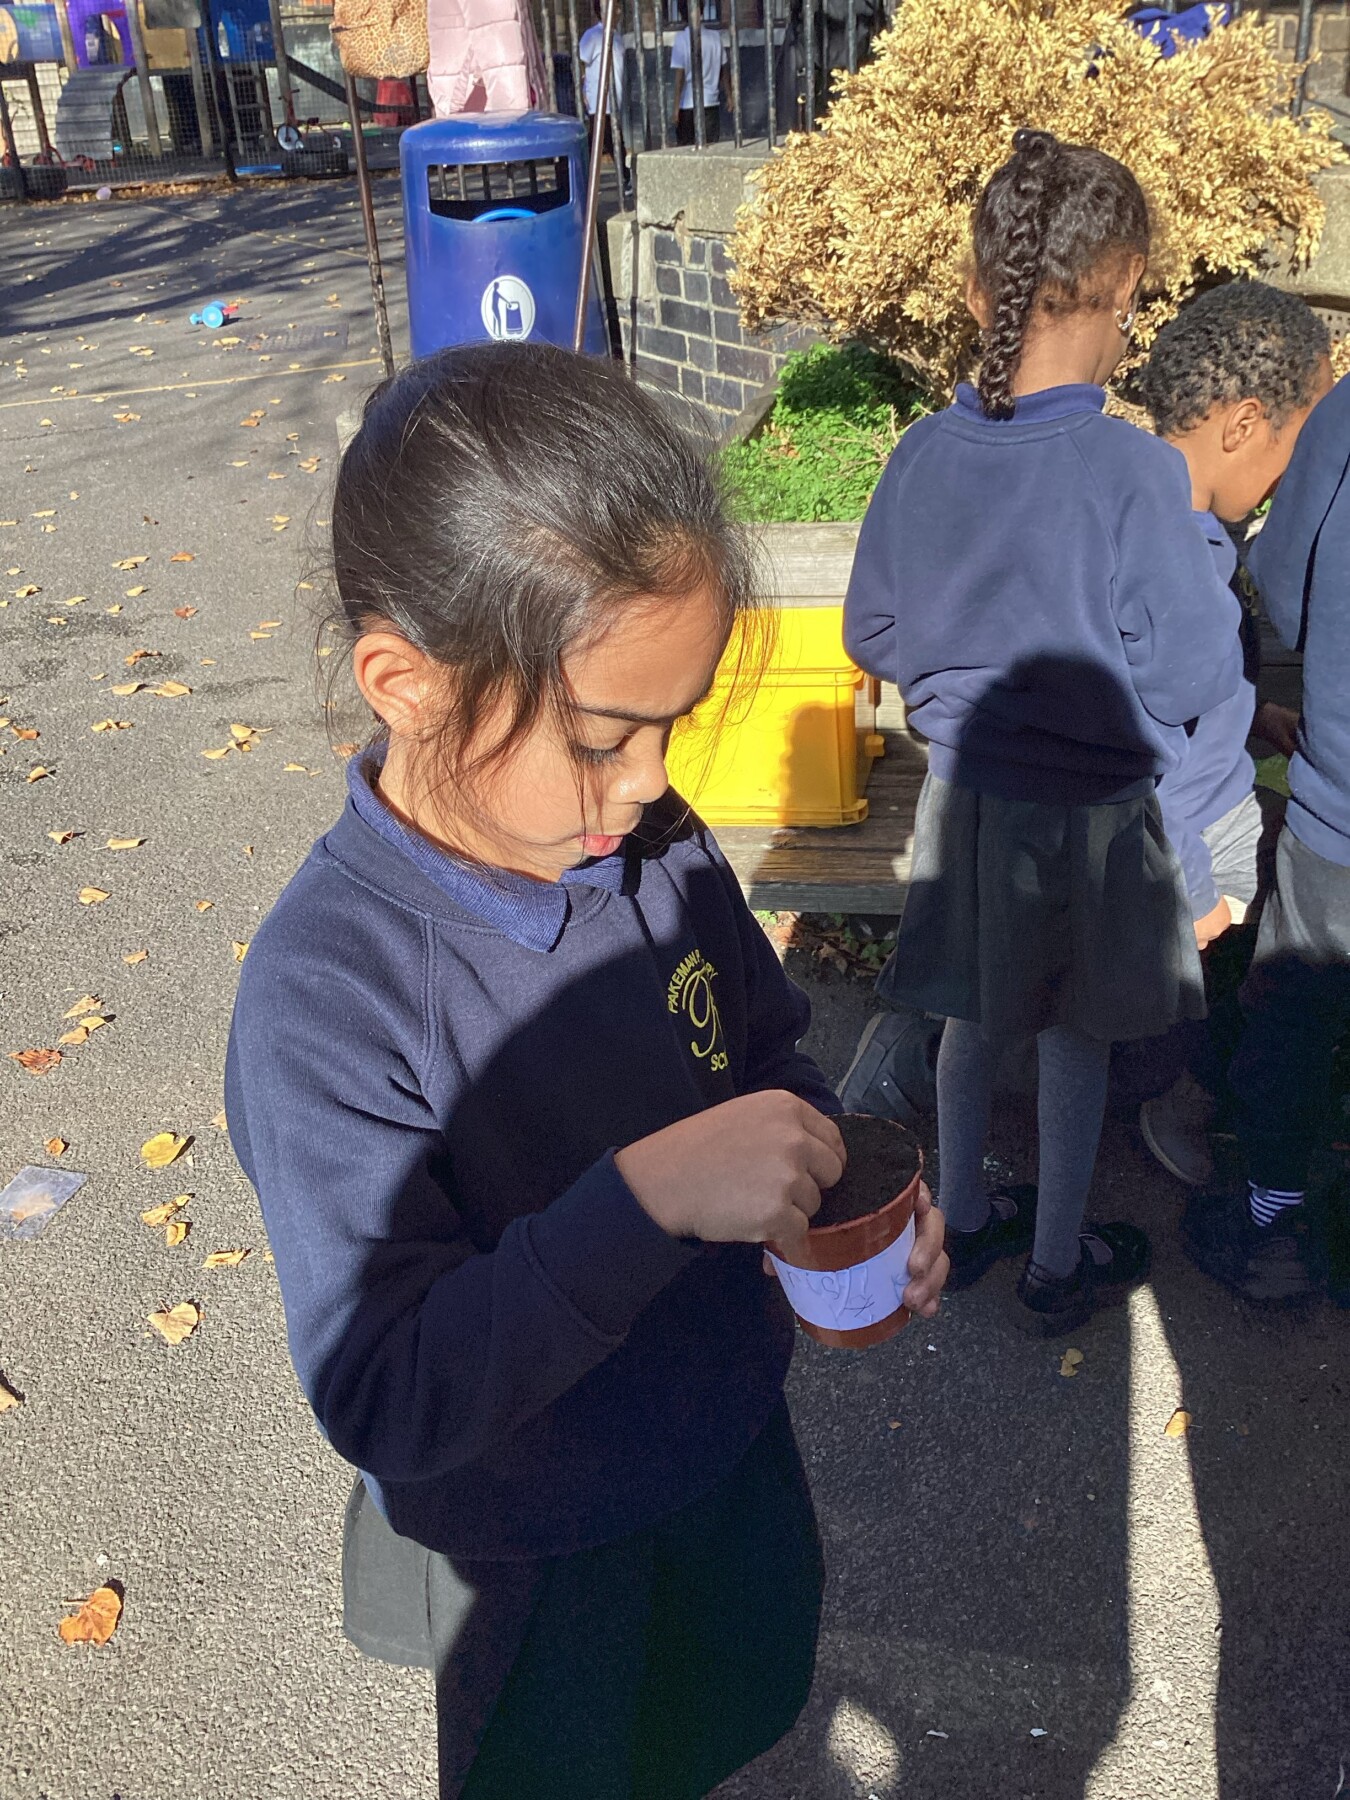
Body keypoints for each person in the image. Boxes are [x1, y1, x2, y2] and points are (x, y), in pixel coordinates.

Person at [224, 343, 948, 1799]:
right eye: (605, 736)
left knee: (713, 1731)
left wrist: (822, 1185)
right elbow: (386, 1386)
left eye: (672, 727)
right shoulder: (328, 992)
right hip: (533, 1553)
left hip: (721, 1456)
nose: (648, 779)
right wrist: (648, 1198)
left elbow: (761, 1046)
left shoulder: (655, 848)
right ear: (405, 683)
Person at [842, 128, 1244, 1336]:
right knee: (1076, 1043)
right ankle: (1057, 1266)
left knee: (971, 1021)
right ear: (1126, 293)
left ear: (976, 291)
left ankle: (958, 1226)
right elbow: (1188, 665)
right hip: (1098, 822)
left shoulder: (922, 451)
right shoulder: (1131, 472)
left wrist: (953, 686)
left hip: (962, 803)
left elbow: (872, 630)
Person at [1131, 281, 1332, 1190]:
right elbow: (1145, 749)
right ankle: (1183, 1097)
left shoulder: (1169, 521)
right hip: (1187, 834)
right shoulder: (1188, 556)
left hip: (1207, 800)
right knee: (1277, 931)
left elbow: (1175, 695)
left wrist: (1249, 713)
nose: (1302, 475)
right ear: (1246, 423)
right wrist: (1199, 887)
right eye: (1304, 444)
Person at [1181, 366, 1350, 1302]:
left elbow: (1284, 586)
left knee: (1294, 1011)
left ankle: (1273, 1216)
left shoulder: (1344, 415)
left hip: (1343, 812)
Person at [579, 0, 627, 174]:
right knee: (611, 140)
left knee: (599, 141)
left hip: (614, 99)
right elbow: (582, 63)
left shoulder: (617, 37)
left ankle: (584, 177)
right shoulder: (592, 35)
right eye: (616, 8)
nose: (620, 11)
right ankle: (625, 177)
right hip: (599, 100)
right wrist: (584, 90)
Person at [671, 4, 729, 145]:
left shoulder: (681, 39)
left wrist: (675, 107)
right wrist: (729, 95)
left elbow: (680, 77)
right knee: (710, 146)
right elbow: (724, 70)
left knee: (686, 149)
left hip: (688, 104)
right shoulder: (716, 37)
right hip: (711, 102)